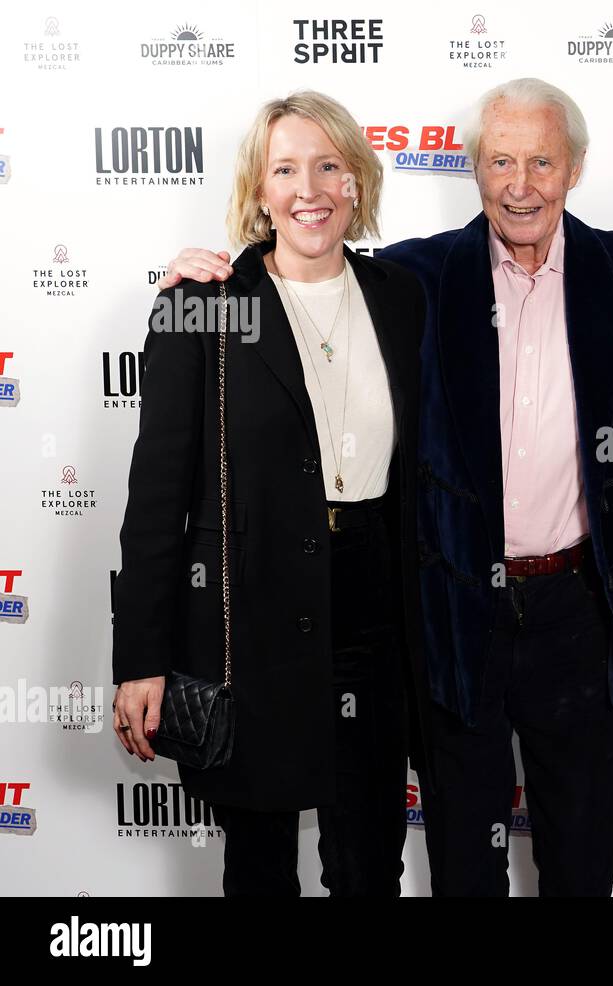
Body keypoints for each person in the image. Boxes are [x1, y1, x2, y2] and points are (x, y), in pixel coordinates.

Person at [158, 77, 613, 897]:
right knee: (466, 861)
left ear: (574, 168)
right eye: (501, 160)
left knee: (581, 857)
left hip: (578, 609)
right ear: (475, 170)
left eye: (541, 160)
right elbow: (307, 270)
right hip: (459, 610)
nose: (521, 182)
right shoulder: (414, 279)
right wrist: (215, 274)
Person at [111, 91, 427, 896]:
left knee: (369, 866)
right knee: (257, 871)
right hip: (246, 624)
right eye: (284, 168)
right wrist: (142, 660)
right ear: (258, 190)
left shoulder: (403, 296)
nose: (308, 188)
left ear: (357, 180)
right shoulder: (201, 306)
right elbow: (156, 499)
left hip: (371, 616)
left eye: (329, 166)